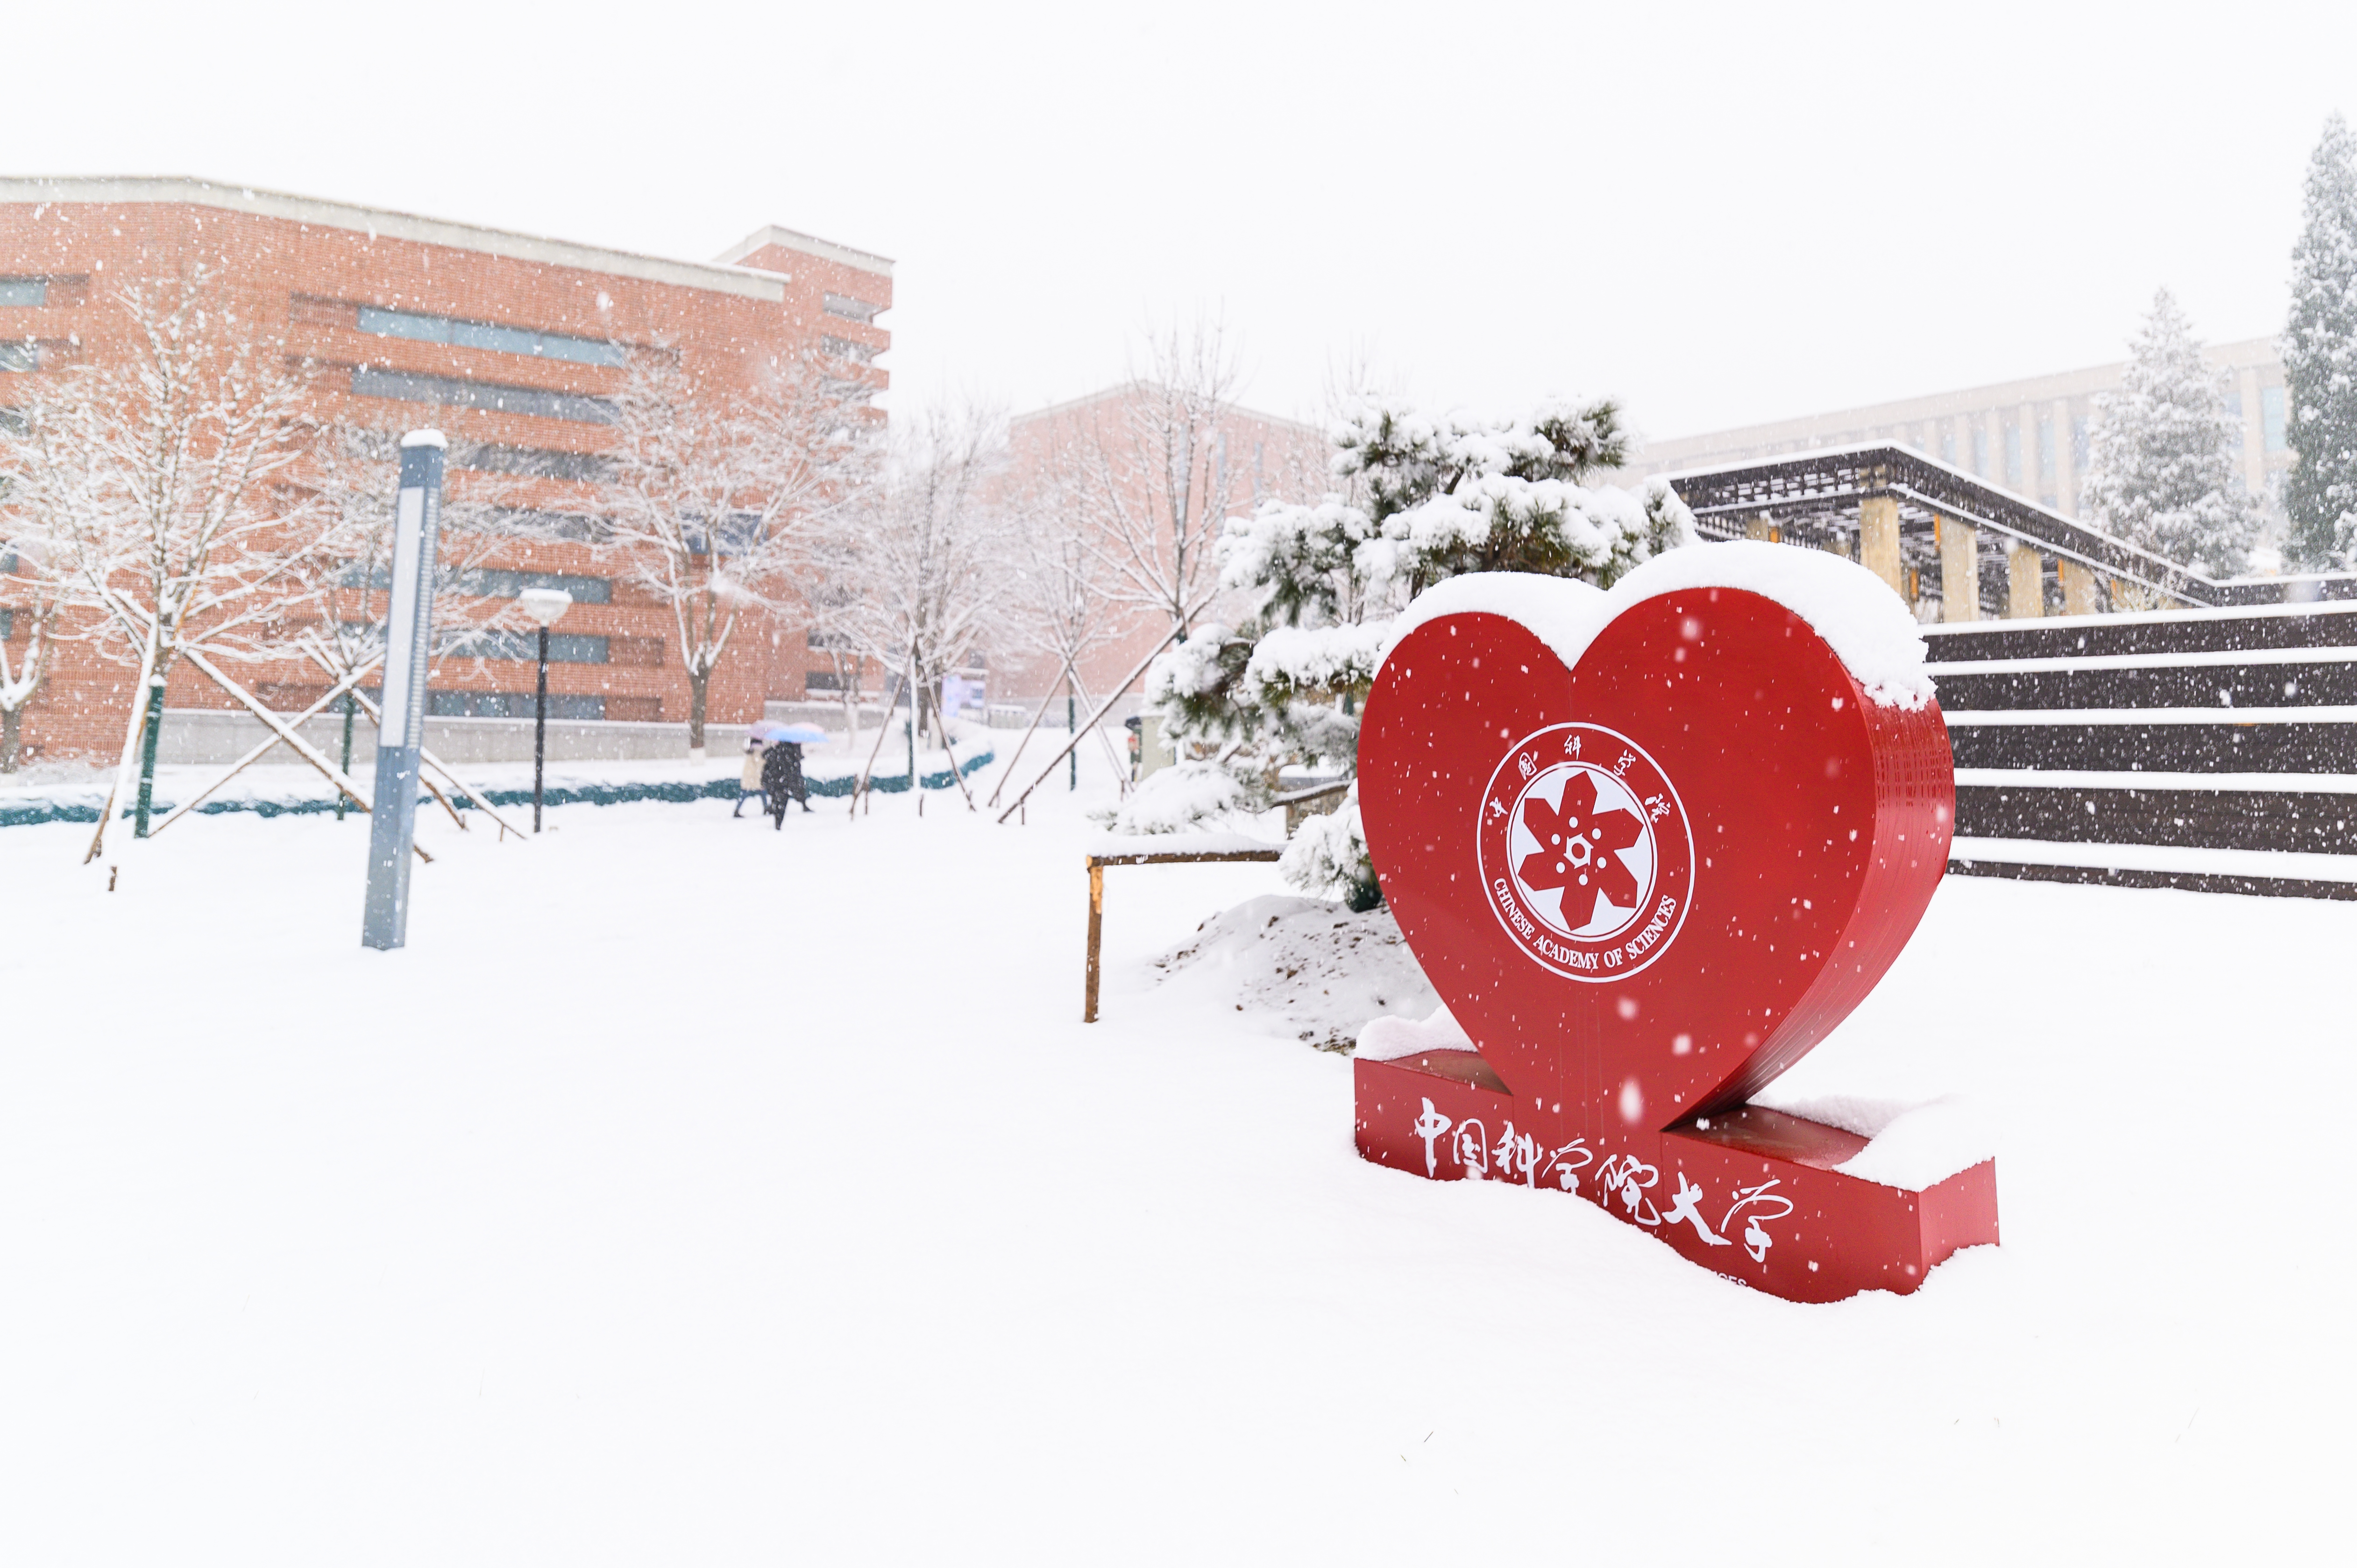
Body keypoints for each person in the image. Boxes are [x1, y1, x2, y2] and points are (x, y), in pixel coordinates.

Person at [761, 739, 811, 828]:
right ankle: (779, 822)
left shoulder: (773, 751)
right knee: (783, 802)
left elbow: (766, 765)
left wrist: (765, 780)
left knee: (776, 799)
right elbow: (795, 769)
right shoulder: (791, 753)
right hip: (785, 782)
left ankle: (776, 817)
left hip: (774, 781)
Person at [733, 739, 768, 818]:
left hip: (748, 776)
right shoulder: (758, 751)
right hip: (755, 776)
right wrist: (766, 760)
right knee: (762, 792)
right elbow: (760, 763)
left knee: (745, 793)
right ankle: (766, 808)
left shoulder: (750, 751)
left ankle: (737, 810)